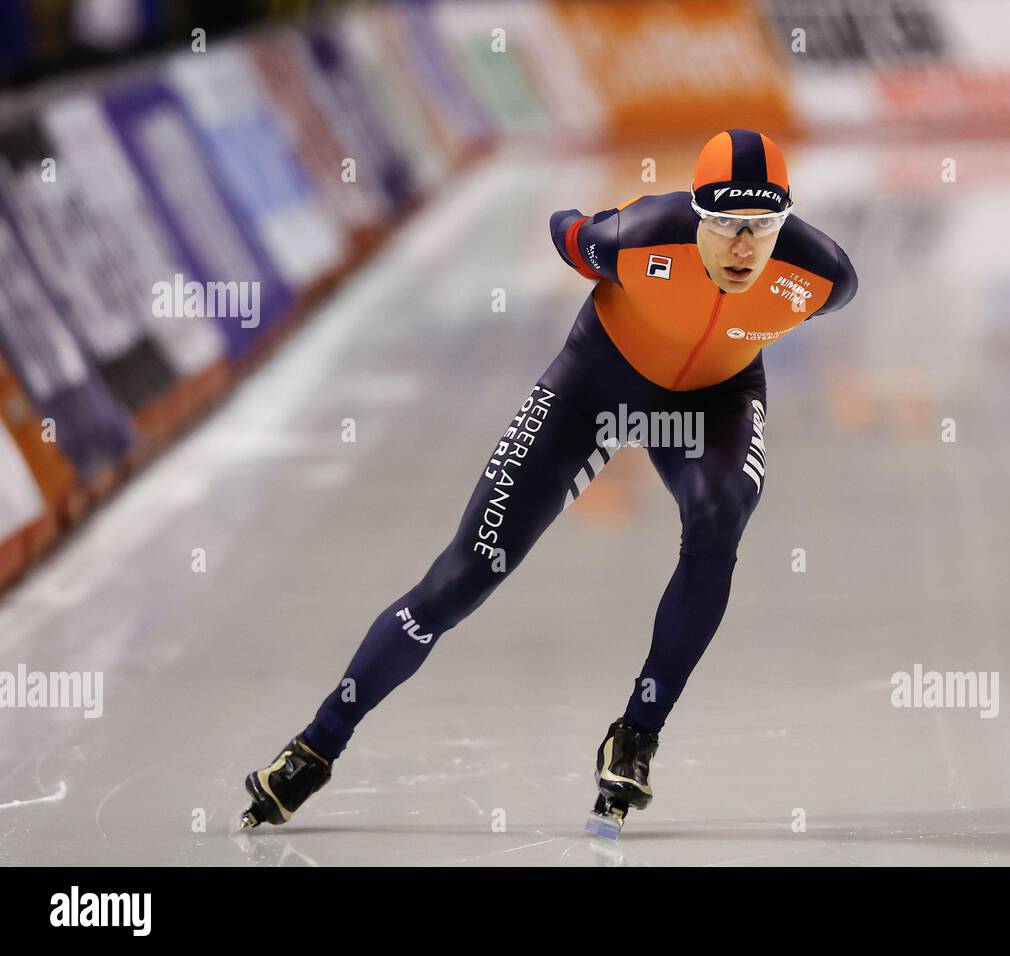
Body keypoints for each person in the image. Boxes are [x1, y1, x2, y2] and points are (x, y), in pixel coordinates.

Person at [240, 128, 858, 838]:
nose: (744, 247)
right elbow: (565, 229)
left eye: (762, 226)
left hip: (713, 398)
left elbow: (806, 300)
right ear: (696, 213)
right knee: (462, 578)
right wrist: (598, 232)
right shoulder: (639, 236)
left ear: (786, 220)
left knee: (719, 516)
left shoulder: (821, 275)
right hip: (596, 384)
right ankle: (319, 743)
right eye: (723, 225)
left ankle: (636, 732)